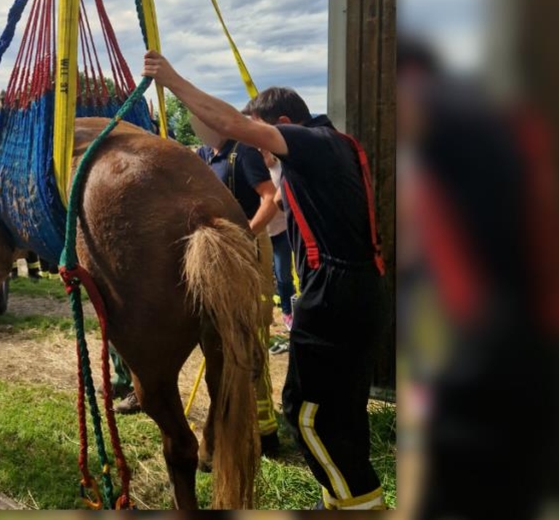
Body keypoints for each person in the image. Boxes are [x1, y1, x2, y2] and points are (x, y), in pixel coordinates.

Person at [143, 51, 386, 511]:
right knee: (342, 413)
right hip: (356, 290)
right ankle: (343, 500)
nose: (259, 152)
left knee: (307, 414)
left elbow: (232, 124)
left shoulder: (314, 143)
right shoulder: (334, 147)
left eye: (263, 140)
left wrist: (171, 78)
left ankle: (359, 506)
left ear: (285, 123)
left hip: (334, 296)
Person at [190, 115, 281, 456]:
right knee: (222, 340)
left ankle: (265, 432)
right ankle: (237, 422)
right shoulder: (202, 156)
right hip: (218, 257)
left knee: (251, 336)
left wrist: (245, 237)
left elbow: (270, 199)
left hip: (248, 251)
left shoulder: (242, 153)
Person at [262, 149, 296, 330]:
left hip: (281, 231)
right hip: (262, 234)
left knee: (283, 274)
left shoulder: (281, 168)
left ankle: (287, 312)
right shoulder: (254, 169)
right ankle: (265, 313)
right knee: (263, 276)